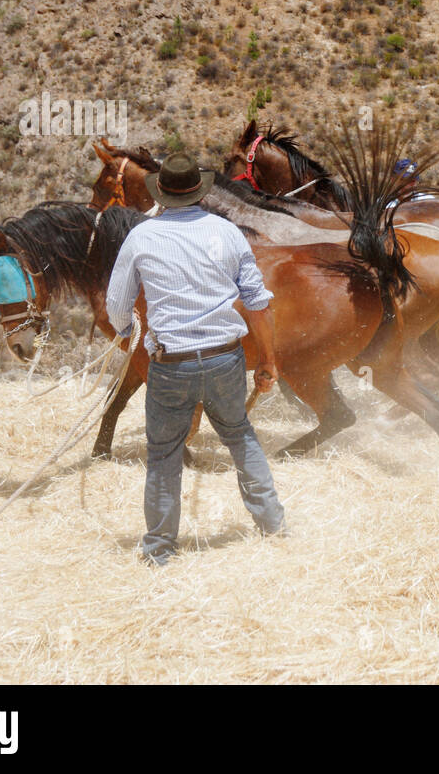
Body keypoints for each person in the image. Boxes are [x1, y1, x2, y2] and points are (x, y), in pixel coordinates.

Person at [106, 152, 287, 566]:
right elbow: (258, 303)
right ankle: (273, 525)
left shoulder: (141, 237)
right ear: (200, 192)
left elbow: (117, 306)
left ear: (162, 194)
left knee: (164, 454)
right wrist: (268, 361)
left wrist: (125, 333)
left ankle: (159, 549)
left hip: (171, 364)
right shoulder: (226, 232)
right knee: (240, 436)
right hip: (226, 358)